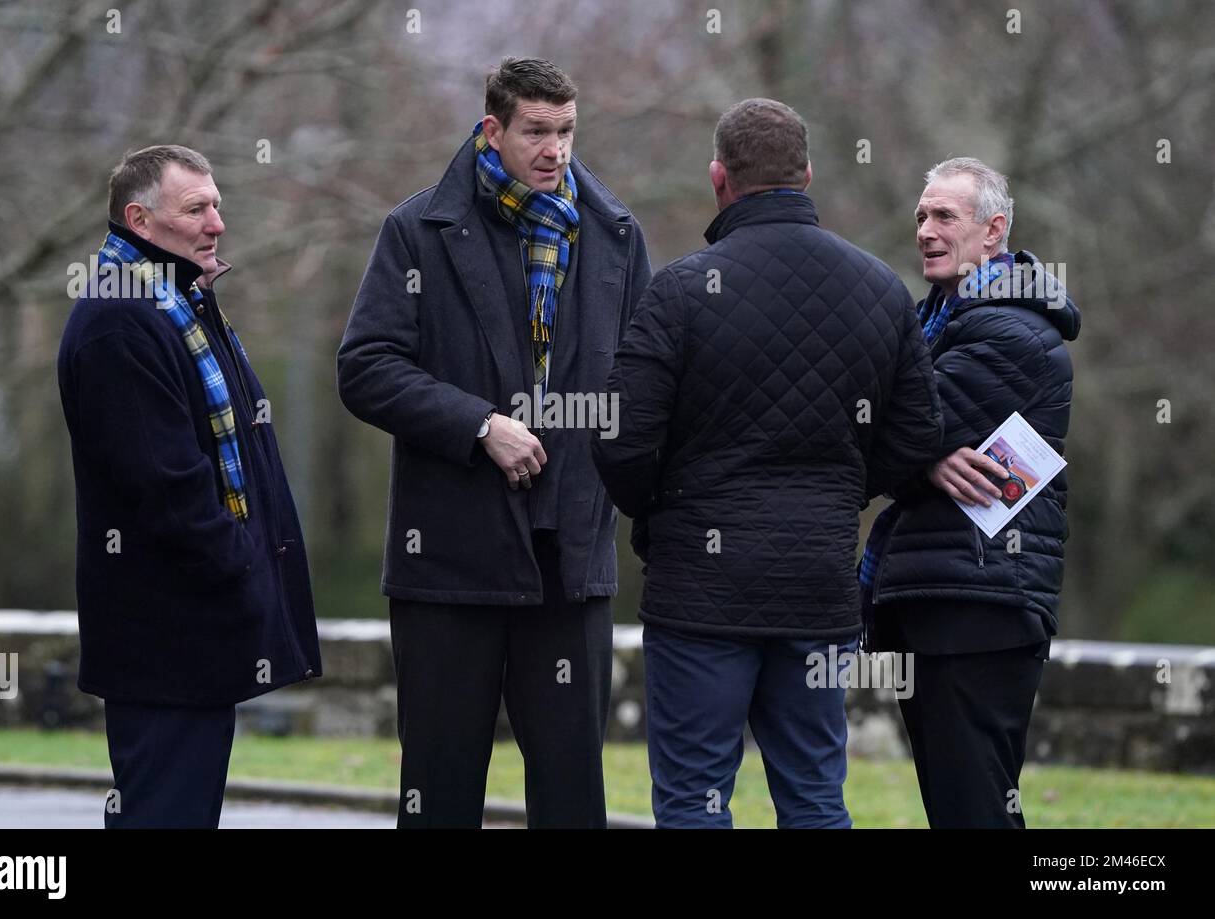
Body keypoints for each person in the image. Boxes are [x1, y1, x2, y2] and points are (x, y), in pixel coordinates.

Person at [592, 98, 943, 828]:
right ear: (807, 175)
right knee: (815, 795)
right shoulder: (882, 289)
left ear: (720, 178)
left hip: (699, 590)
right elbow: (917, 434)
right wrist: (845, 487)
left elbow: (620, 438)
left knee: (694, 797)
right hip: (817, 584)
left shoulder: (682, 291)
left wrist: (665, 510)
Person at [337, 58, 651, 828]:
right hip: (450, 561)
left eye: (567, 131)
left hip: (570, 562)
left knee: (573, 800)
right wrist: (479, 425)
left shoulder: (615, 235)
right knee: (439, 796)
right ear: (492, 130)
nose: (555, 150)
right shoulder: (418, 231)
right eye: (536, 132)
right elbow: (365, 368)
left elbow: (647, 389)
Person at [57, 144, 321, 828]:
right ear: (141, 220)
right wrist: (241, 563)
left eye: (218, 206)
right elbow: (167, 490)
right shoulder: (120, 320)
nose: (217, 224)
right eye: (197, 208)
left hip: (189, 630)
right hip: (163, 638)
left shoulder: (177, 302)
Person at [860, 156, 1081, 828]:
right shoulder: (942, 322)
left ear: (993, 232)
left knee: (972, 809)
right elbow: (901, 441)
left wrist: (912, 458)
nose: (925, 229)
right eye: (921, 215)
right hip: (945, 595)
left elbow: (880, 432)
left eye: (944, 216)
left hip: (980, 605)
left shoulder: (1009, 331)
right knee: (962, 807)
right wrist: (926, 466)